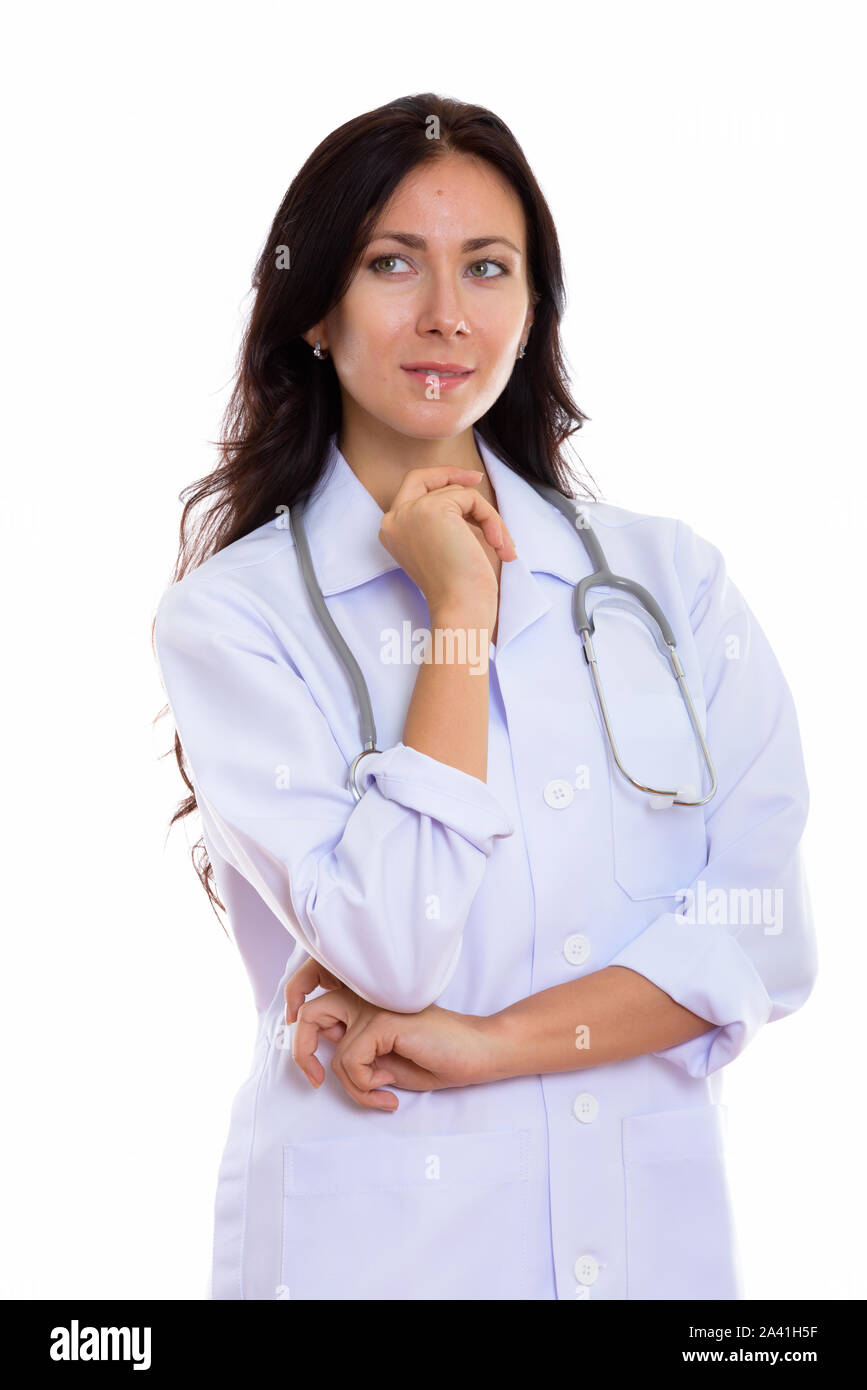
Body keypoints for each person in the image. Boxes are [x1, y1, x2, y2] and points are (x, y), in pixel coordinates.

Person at [152, 93, 817, 1301]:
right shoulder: (233, 622)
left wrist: (496, 1042)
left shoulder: (670, 584)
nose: (446, 315)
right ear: (315, 310)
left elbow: (762, 935)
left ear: (532, 307)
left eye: (489, 267)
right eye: (391, 263)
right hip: (383, 1254)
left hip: (651, 1250)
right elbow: (394, 945)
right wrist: (459, 617)